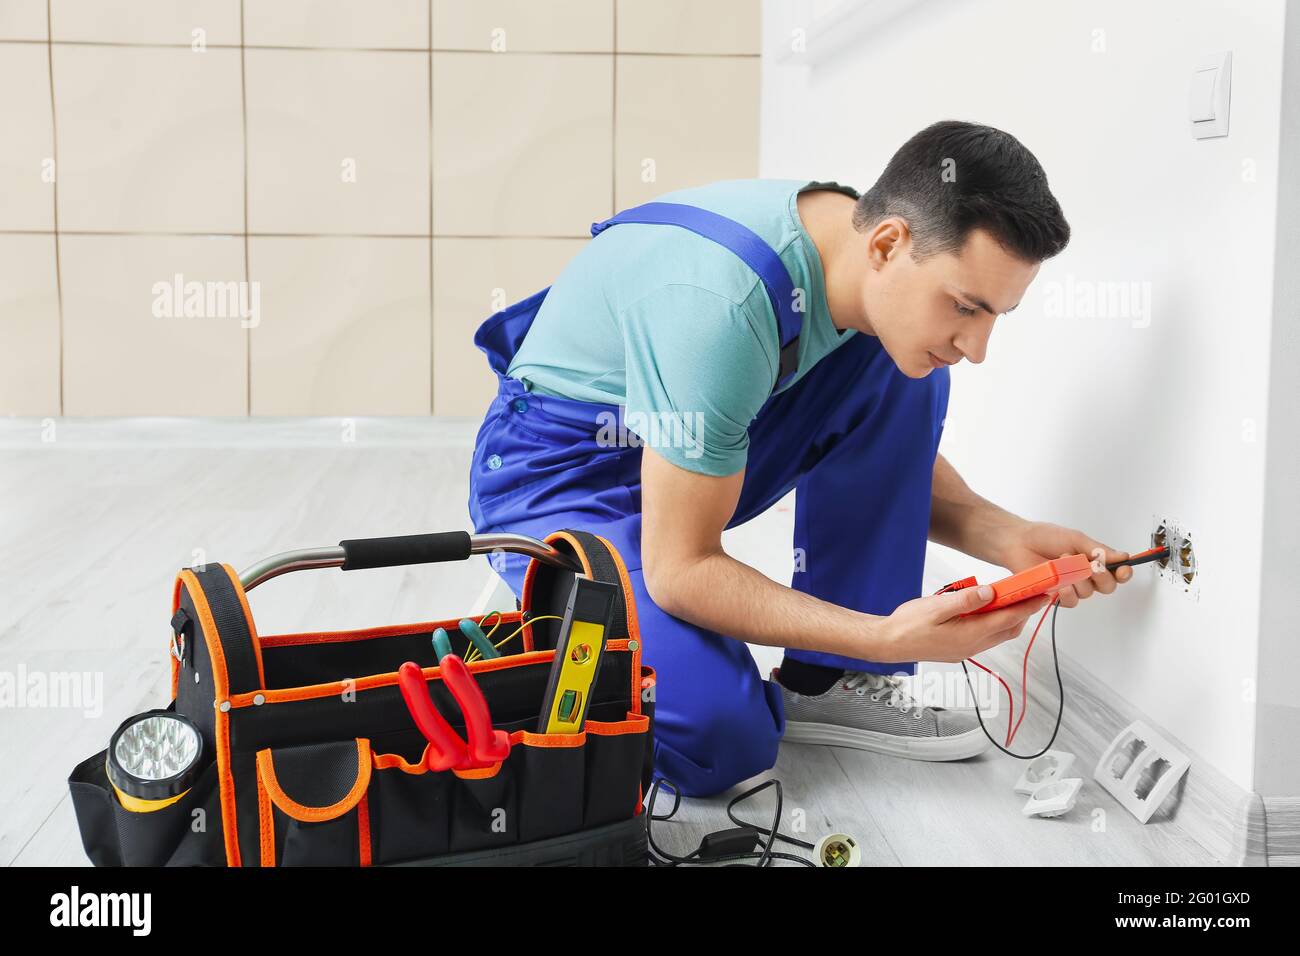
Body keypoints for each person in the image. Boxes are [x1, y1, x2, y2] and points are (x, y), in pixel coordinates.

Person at [468, 120, 1134, 797]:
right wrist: (883, 636)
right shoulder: (721, 307)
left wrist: (1010, 538)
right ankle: (553, 616)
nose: (977, 345)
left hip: (687, 446)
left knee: (907, 367)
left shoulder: (853, 251)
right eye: (965, 306)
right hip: (565, 472)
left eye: (996, 316)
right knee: (721, 738)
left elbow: (886, 462)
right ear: (888, 243)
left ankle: (824, 678)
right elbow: (684, 568)